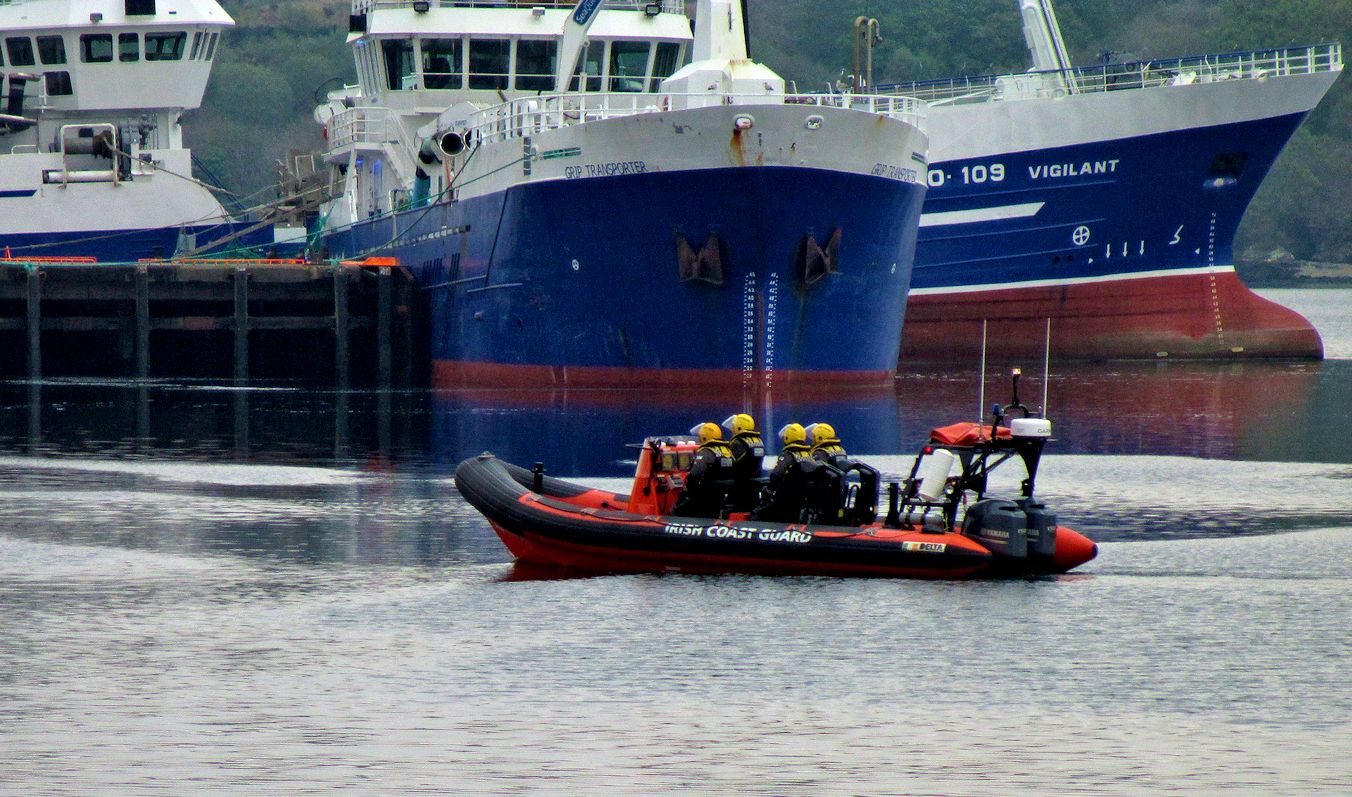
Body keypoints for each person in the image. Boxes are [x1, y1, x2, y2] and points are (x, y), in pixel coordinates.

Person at [750, 422, 814, 522]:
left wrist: (770, 488)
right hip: (803, 499)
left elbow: (776, 474)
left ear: (788, 437)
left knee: (757, 514)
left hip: (786, 500)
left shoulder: (788, 455)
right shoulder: (809, 455)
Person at [671, 421, 735, 518]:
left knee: (679, 509)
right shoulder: (728, 451)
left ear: (704, 437)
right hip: (723, 496)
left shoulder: (706, 452)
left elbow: (695, 474)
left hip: (706, 496)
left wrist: (688, 488)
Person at [722, 413, 765, 510]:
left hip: (739, 486)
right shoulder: (759, 441)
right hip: (755, 483)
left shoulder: (738, 442)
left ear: (738, 427)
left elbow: (728, 462)